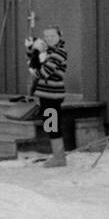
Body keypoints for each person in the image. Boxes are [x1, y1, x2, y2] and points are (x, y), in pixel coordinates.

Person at [27, 25, 68, 167]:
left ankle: (59, 158)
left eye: (52, 36)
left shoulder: (59, 53)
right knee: (50, 124)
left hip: (52, 94)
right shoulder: (49, 52)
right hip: (45, 93)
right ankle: (57, 155)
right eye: (47, 36)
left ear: (59, 37)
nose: (49, 39)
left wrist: (35, 54)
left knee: (52, 124)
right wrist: (32, 51)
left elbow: (41, 73)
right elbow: (33, 65)